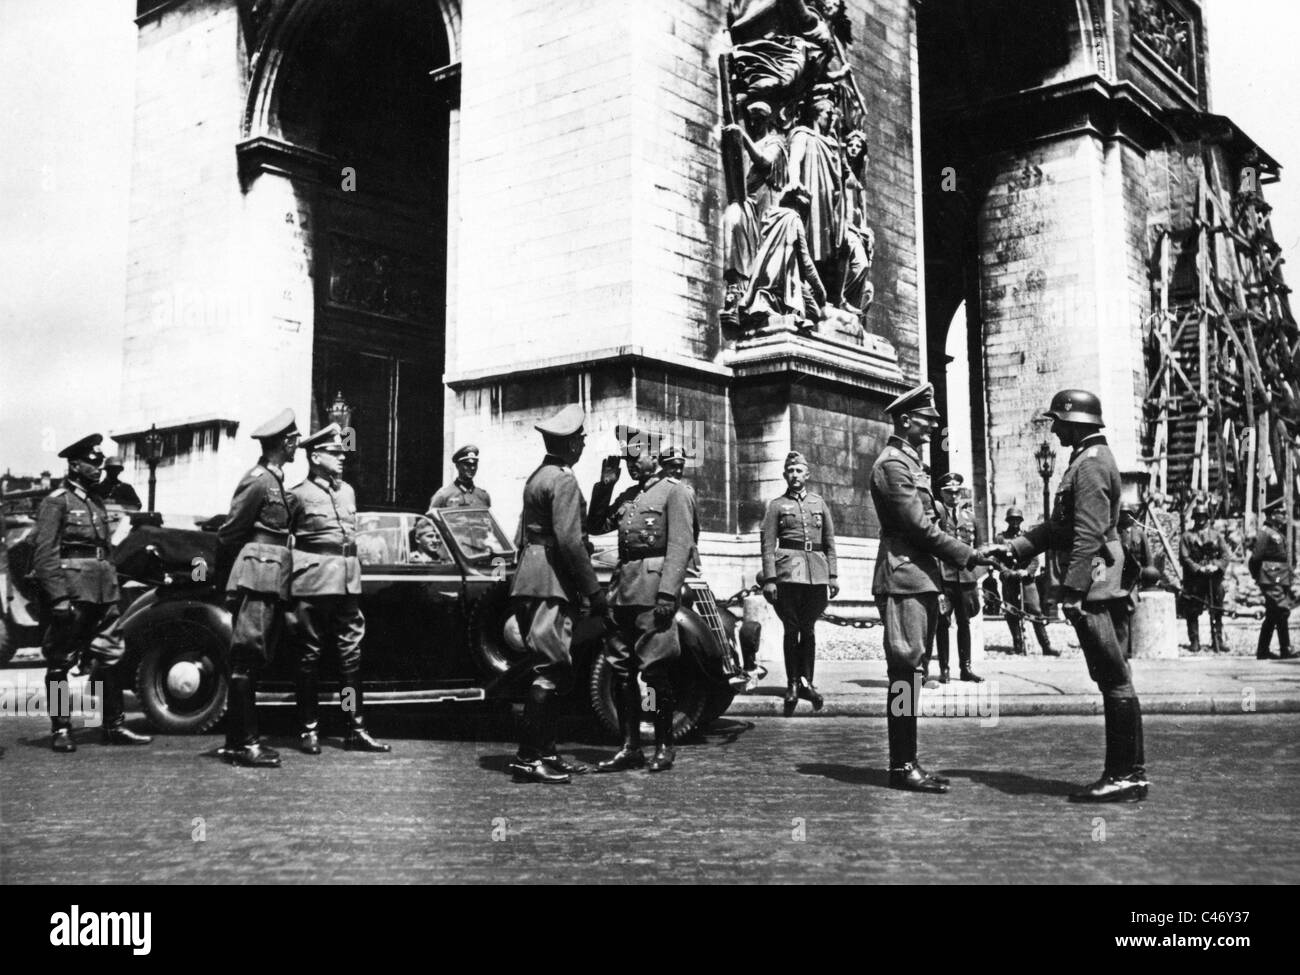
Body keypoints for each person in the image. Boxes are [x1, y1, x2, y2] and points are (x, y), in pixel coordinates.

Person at [984, 388, 1148, 803]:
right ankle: (1132, 773)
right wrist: (1016, 547)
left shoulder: (1090, 466)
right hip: (1102, 580)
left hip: (1096, 584)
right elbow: (1060, 527)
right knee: (1114, 678)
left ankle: (1123, 776)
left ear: (1075, 422)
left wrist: (1072, 592)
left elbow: (1088, 533)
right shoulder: (1086, 460)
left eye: (1057, 421)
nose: (1054, 428)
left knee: (1113, 678)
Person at [870, 382, 993, 793]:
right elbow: (919, 527)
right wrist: (970, 555)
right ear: (906, 421)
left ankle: (908, 761)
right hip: (903, 576)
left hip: (919, 575)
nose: (932, 429)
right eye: (926, 422)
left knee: (913, 672)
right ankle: (902, 765)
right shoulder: (893, 466)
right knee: (905, 672)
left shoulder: (909, 464)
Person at [32, 434, 152, 752]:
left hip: (103, 592)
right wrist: (58, 598)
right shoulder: (57, 501)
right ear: (74, 465)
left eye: (100, 461)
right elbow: (44, 555)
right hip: (74, 594)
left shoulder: (97, 502)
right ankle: (61, 729)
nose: (99, 467)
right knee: (60, 662)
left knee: (110, 657)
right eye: (93, 461)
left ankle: (113, 726)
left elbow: (105, 550)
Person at [508, 404, 608, 784]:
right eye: (580, 438)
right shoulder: (563, 480)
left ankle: (546, 751)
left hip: (532, 576)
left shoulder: (538, 477)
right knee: (550, 668)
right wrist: (593, 590)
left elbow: (525, 535)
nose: (583, 443)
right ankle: (528, 758)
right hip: (551, 579)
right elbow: (569, 542)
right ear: (569, 445)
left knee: (551, 665)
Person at [594, 443, 697, 773]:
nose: (631, 464)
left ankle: (664, 746)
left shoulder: (674, 492)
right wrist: (605, 485)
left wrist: (668, 593)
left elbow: (681, 544)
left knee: (655, 670)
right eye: (627, 460)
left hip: (654, 591)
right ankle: (630, 747)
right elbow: (596, 525)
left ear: (656, 458)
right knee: (622, 671)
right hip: (623, 589)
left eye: (637, 458)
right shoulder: (627, 496)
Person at [288, 424, 389, 755]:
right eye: (334, 452)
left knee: (351, 658)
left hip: (348, 582)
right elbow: (283, 544)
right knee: (309, 657)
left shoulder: (347, 491)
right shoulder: (297, 495)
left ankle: (355, 727)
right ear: (315, 457)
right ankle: (308, 728)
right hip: (312, 584)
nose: (342, 456)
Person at [215, 409, 299, 767]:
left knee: (253, 659)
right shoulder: (259, 481)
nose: (297, 444)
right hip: (258, 577)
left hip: (271, 576)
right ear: (284, 442)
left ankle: (242, 741)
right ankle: (243, 743)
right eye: (293, 440)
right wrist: (234, 579)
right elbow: (230, 532)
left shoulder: (275, 481)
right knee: (246, 659)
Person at [760, 450, 838, 715]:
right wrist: (770, 579)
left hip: (816, 574)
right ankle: (792, 683)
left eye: (799, 471)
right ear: (785, 475)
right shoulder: (776, 505)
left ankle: (808, 681)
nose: (794, 475)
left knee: (810, 629)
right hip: (788, 574)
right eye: (790, 471)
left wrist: (833, 576)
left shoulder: (819, 503)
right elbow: (768, 545)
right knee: (791, 629)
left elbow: (829, 543)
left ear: (807, 475)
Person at [722, 101, 789, 297]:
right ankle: (740, 285)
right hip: (747, 199)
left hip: (764, 201)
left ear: (767, 120)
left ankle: (757, 288)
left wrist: (742, 137)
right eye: (752, 120)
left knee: (762, 243)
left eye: (759, 120)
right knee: (735, 223)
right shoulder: (749, 145)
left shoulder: (775, 142)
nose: (755, 124)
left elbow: (764, 161)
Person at [740, 183, 828, 327]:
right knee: (814, 313)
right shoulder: (794, 219)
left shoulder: (769, 218)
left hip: (763, 279)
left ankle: (767, 308)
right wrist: (820, 289)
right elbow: (806, 262)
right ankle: (793, 314)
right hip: (782, 280)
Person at [926, 472, 982, 683]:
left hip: (967, 578)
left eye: (957, 492)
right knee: (943, 623)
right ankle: (945, 669)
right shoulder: (937, 518)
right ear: (941, 494)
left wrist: (977, 575)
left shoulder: (970, 518)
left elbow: (980, 549)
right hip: (944, 577)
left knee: (965, 622)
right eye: (949, 492)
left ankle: (966, 668)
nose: (954, 496)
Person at [996, 507, 1055, 656]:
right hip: (1010, 580)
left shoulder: (1027, 537)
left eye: (1017, 520)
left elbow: (1034, 560)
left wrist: (1027, 571)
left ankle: (1045, 645)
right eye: (1012, 520)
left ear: (1021, 521)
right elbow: (998, 561)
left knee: (1036, 610)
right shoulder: (1001, 538)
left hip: (1027, 580)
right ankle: (1018, 643)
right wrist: (1009, 573)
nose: (1015, 523)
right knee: (1011, 611)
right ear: (1008, 521)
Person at [1179, 502, 1228, 653]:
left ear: (1207, 518)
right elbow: (1184, 558)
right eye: (1198, 517)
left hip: (1214, 578)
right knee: (1193, 609)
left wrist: (1216, 566)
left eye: (1203, 517)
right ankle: (1194, 640)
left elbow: (1225, 555)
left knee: (1217, 609)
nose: (1200, 520)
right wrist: (1199, 568)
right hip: (1195, 579)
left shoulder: (1216, 535)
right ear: (1194, 518)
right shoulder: (1187, 536)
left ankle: (1217, 639)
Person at [1249, 504, 1295, 659]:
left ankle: (1264, 650)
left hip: (1279, 578)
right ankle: (1284, 648)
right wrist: (1259, 577)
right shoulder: (1265, 533)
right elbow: (1255, 558)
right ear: (1272, 515)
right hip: (1270, 578)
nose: (1284, 515)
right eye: (1280, 513)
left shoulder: (1277, 533)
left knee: (1273, 614)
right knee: (1282, 610)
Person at [428, 444, 491, 510]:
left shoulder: (483, 496)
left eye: (474, 464)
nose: (472, 468)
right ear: (457, 466)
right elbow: (431, 518)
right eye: (467, 464)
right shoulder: (443, 495)